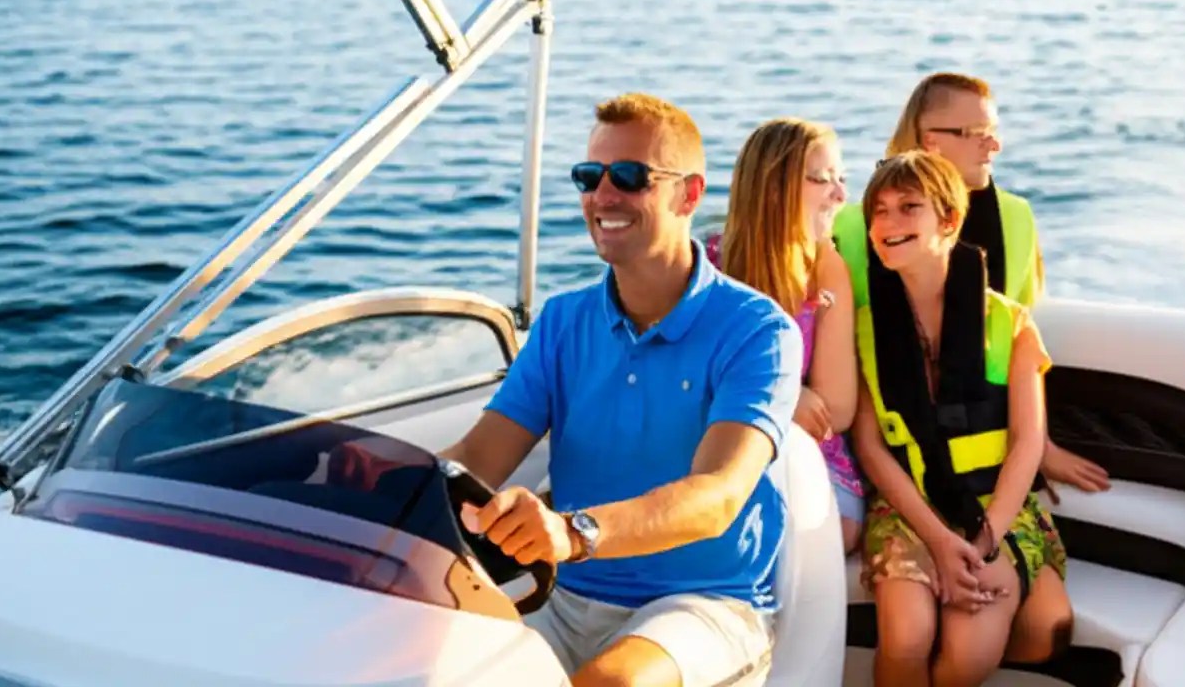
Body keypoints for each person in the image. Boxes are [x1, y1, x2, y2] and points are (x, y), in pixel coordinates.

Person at [439, 93, 804, 687]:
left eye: (630, 177)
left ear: (689, 194)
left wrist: (572, 532)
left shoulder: (757, 331)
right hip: (567, 597)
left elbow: (716, 496)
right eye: (590, 176)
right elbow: (479, 458)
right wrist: (374, 481)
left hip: (705, 605)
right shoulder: (562, 323)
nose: (603, 196)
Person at [851, 151, 1072, 686]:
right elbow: (871, 447)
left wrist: (982, 538)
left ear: (949, 221)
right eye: (878, 212)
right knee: (907, 636)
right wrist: (938, 539)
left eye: (908, 208)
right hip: (908, 509)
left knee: (991, 647)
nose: (888, 224)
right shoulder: (861, 328)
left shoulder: (1010, 324)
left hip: (996, 509)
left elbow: (1026, 443)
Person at [832, 71, 1110, 496]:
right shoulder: (851, 229)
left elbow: (1020, 338)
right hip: (886, 449)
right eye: (978, 133)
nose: (994, 145)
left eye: (993, 132)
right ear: (930, 141)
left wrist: (1040, 446)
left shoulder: (1017, 219)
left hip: (986, 446)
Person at [705, 117, 864, 552]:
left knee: (825, 529)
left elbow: (837, 411)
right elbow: (681, 377)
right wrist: (784, 395)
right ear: (773, 187)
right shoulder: (708, 266)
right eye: (820, 179)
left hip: (807, 460)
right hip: (719, 447)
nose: (841, 195)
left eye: (841, 179)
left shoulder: (827, 269)